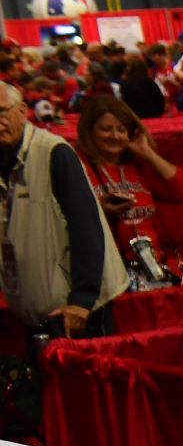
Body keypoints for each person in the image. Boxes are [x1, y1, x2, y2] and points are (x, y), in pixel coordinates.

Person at [0, 81, 126, 338]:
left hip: (78, 314)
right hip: (35, 316)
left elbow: (87, 228)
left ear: (22, 111)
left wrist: (82, 299)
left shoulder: (53, 153)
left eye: (1, 112)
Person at [73, 94, 183, 281]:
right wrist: (101, 211)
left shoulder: (138, 167)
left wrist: (147, 153)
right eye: (106, 129)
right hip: (106, 273)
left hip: (151, 270)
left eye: (121, 130)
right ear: (89, 131)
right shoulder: (77, 167)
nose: (115, 136)